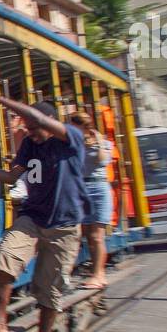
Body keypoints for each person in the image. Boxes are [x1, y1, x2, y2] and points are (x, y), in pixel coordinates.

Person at [0, 83, 89, 332]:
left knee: (50, 293)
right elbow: (12, 176)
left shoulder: (70, 138)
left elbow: (44, 122)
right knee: (6, 255)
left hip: (64, 224)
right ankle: (0, 319)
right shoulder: (30, 145)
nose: (31, 133)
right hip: (33, 217)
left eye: (35, 127)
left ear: (48, 123)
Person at [71, 111, 113, 288]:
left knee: (96, 236)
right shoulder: (73, 143)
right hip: (81, 188)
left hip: (98, 187)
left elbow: (103, 161)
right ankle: (88, 271)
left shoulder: (102, 142)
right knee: (80, 234)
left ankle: (99, 274)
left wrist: (99, 142)